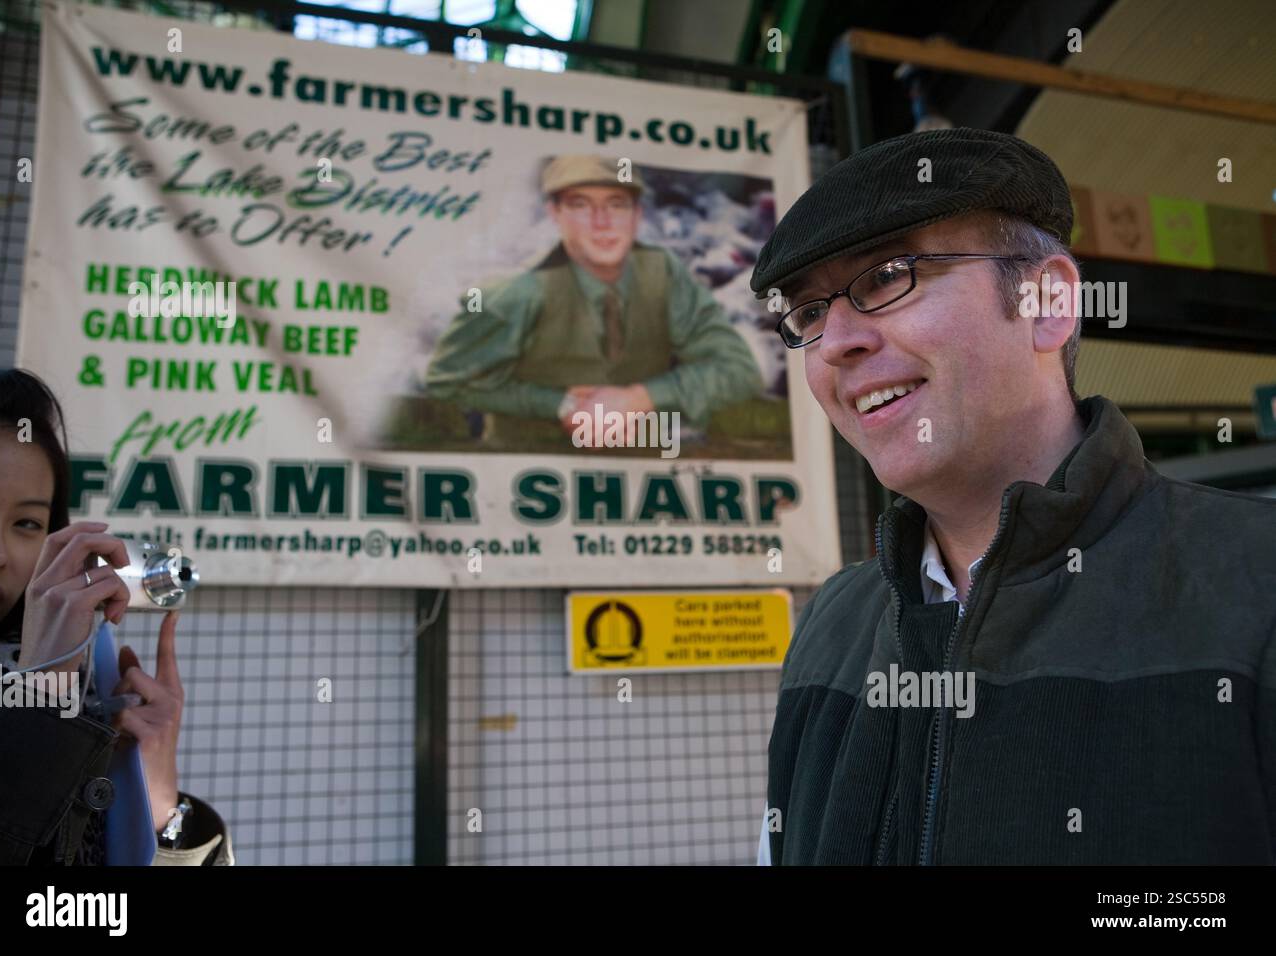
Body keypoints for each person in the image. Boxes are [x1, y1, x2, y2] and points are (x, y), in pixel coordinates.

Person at [750, 128, 1275, 865]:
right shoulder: (829, 627)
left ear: (1047, 301)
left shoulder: (1256, 583)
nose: (836, 341)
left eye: (888, 276)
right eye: (807, 313)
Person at [0, 368, 232, 865]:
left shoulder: (90, 677)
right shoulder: (55, 680)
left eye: (28, 522)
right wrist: (38, 697)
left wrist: (154, 797)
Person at [424, 154, 763, 449]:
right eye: (580, 205)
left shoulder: (664, 275)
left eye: (616, 204)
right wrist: (559, 404)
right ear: (554, 214)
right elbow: (446, 379)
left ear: (637, 215)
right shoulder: (513, 293)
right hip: (528, 474)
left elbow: (738, 371)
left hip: (641, 475)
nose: (602, 223)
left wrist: (638, 398)